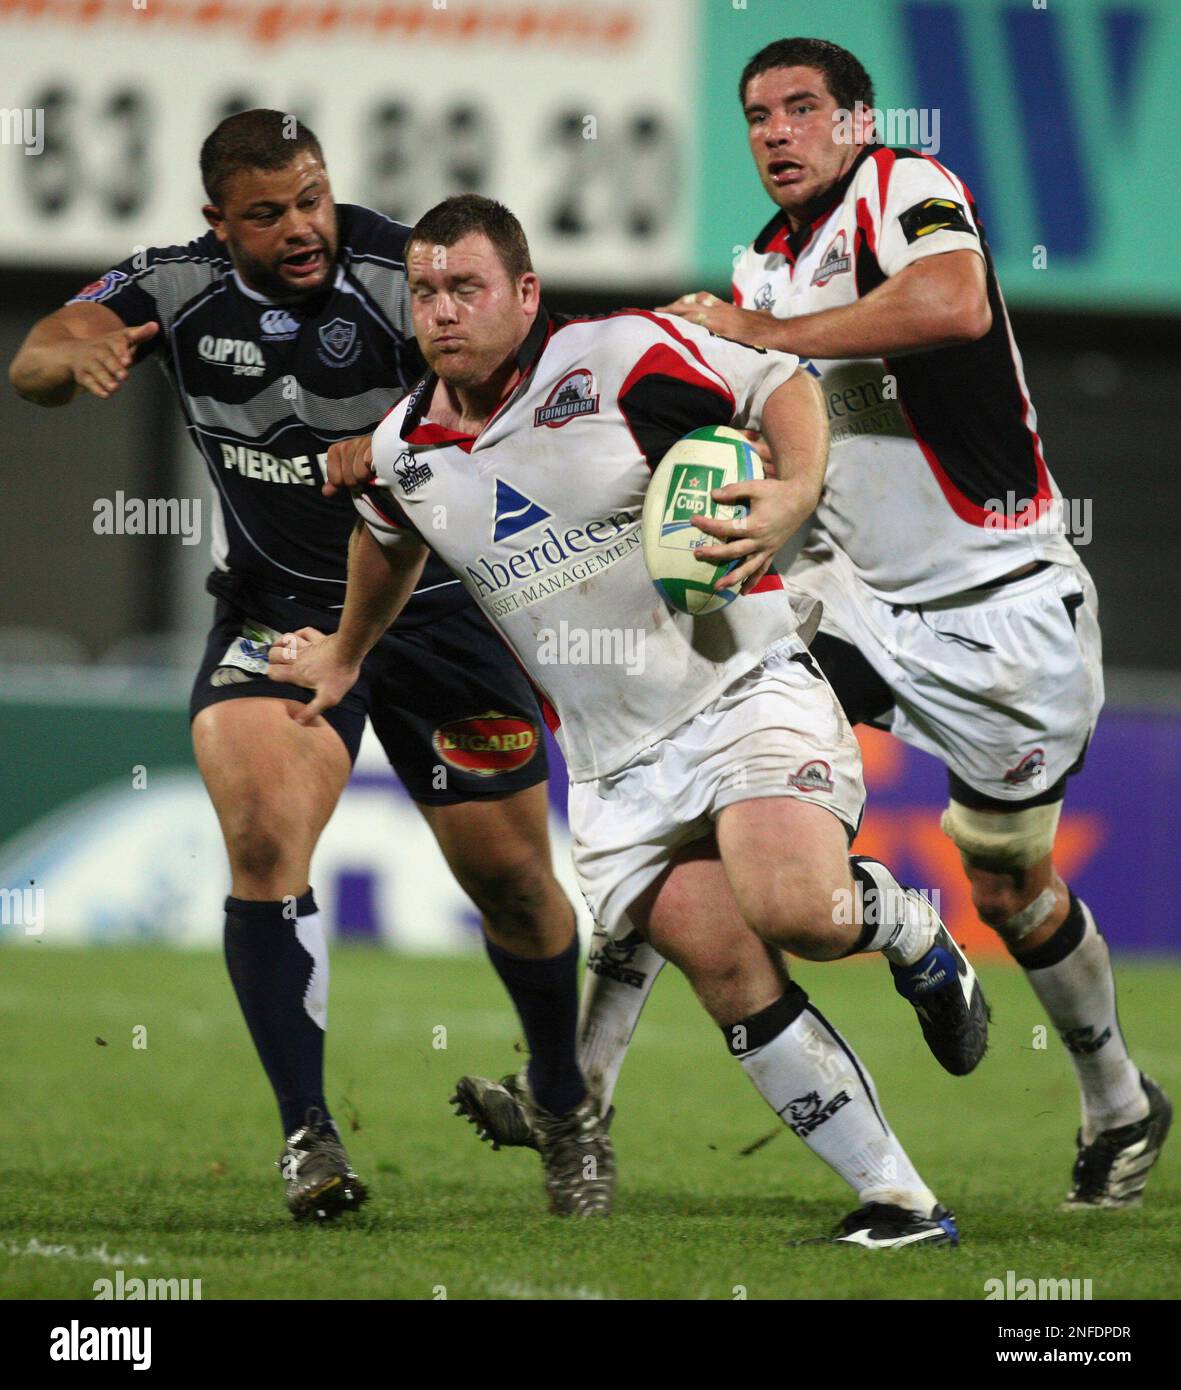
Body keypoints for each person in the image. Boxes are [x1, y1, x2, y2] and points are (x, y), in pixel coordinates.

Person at [495, 36, 1170, 1211]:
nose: (775, 133)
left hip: (1003, 618)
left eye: (802, 110)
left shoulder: (903, 189)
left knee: (1010, 880)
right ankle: (578, 1080)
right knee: (696, 750)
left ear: (855, 122)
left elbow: (953, 304)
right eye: (756, 115)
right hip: (855, 600)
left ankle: (1116, 1097)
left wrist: (771, 341)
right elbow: (771, 426)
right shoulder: (760, 265)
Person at [270, 192, 991, 1247]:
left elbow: (779, 378)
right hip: (615, 766)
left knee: (792, 907)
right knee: (727, 969)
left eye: (465, 288)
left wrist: (789, 492)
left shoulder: (615, 358)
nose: (441, 311)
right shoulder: (404, 445)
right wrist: (344, 651)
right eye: (423, 292)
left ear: (525, 292)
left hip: (740, 691)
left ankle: (910, 930)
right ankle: (900, 1200)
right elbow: (388, 538)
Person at [8, 111, 606, 1222]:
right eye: (268, 213)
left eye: (313, 198)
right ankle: (309, 1138)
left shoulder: (398, 275)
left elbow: (532, 388)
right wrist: (65, 356)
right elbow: (39, 353)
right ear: (215, 223)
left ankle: (566, 1105)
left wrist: (412, 437)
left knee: (517, 887)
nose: (300, 227)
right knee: (263, 835)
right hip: (278, 617)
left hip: (437, 615)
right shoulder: (176, 286)